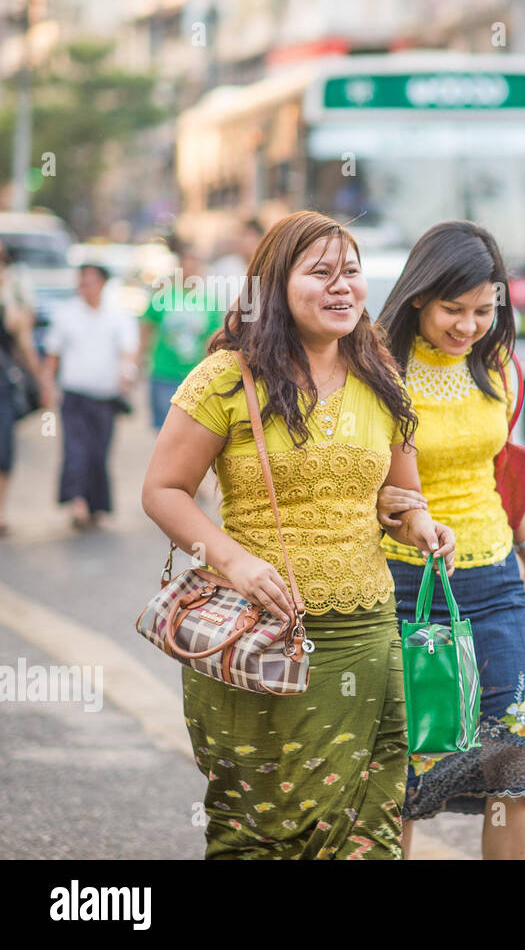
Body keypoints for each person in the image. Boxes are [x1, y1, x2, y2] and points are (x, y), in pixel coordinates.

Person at [141, 210, 455, 860]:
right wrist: (236, 563)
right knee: (258, 829)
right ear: (276, 286)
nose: (342, 287)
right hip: (260, 639)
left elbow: (403, 497)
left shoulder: (382, 379)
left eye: (352, 272)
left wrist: (423, 524)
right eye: (321, 273)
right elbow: (163, 490)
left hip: (367, 640)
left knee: (368, 830)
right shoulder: (228, 378)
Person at [376, 221, 525, 861]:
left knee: (514, 756)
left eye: (483, 310)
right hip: (399, 583)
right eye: (453, 308)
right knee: (399, 762)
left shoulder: (498, 365)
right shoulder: (374, 366)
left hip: (495, 578)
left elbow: (501, 470)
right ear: (419, 294)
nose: (468, 325)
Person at [42, 264, 139, 529]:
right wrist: (47, 385)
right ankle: (77, 503)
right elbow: (53, 353)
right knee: (75, 448)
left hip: (105, 396)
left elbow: (129, 352)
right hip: (74, 394)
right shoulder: (66, 314)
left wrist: (127, 376)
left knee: (98, 451)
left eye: (91, 281)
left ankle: (96, 503)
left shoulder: (117, 316)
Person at [140, 245, 226, 429]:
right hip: (164, 372)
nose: (190, 270)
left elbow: (212, 339)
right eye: (186, 265)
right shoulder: (163, 296)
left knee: (188, 429)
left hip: (193, 376)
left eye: (194, 266)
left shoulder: (208, 301)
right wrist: (142, 356)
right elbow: (147, 326)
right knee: (164, 429)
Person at [0, 244, 47, 535]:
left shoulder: (9, 299)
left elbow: (22, 336)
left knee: (3, 451)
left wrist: (42, 378)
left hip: (2, 383)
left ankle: (1, 511)